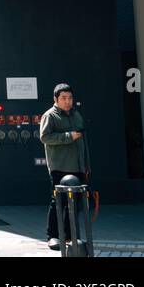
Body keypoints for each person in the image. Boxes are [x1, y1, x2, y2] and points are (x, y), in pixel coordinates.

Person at [39, 83, 87, 251]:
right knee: (58, 202)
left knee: (75, 204)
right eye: (64, 98)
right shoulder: (50, 116)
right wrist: (68, 136)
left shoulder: (76, 114)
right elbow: (45, 137)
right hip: (60, 167)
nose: (68, 101)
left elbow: (82, 140)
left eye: (70, 98)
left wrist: (86, 165)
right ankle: (52, 236)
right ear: (56, 99)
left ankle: (70, 236)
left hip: (78, 166)